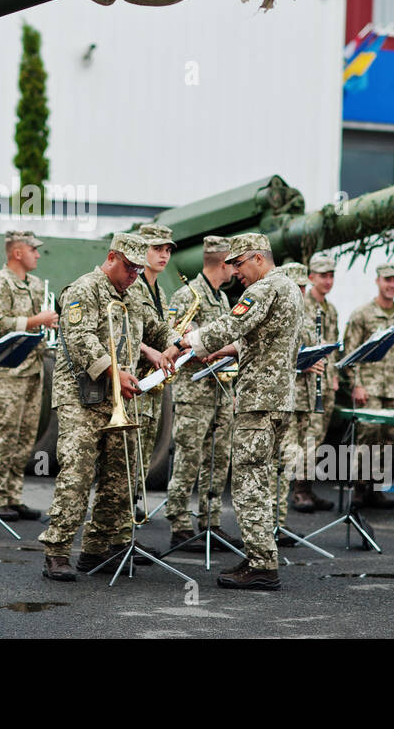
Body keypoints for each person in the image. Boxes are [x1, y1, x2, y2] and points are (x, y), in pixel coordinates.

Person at [38, 233, 180, 582]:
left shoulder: (133, 294)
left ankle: (96, 548)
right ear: (113, 257)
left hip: (118, 399)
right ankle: (56, 552)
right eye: (129, 268)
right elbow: (79, 338)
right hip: (82, 399)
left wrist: (181, 344)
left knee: (119, 476)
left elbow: (154, 330)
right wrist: (114, 372)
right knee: (77, 475)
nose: (134, 275)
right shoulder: (83, 289)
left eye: (137, 269)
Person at [181, 234, 302, 590]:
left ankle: (262, 564)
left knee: (248, 480)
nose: (234, 273)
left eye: (238, 264)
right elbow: (261, 338)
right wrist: (224, 352)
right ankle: (259, 556)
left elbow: (230, 324)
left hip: (258, 402)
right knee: (261, 478)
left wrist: (185, 342)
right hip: (278, 400)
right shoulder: (290, 288)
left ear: (258, 259)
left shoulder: (263, 290)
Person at [164, 235, 241, 550]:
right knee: (189, 455)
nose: (235, 271)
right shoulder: (187, 295)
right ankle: (179, 523)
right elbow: (175, 339)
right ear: (222, 264)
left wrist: (223, 353)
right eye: (232, 265)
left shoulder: (222, 299)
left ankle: (210, 521)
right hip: (194, 389)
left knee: (218, 456)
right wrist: (212, 350)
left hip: (220, 387)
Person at [0, 230, 55, 522]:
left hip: (33, 370)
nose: (38, 254)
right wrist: (38, 321)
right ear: (17, 253)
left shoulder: (35, 284)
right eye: (33, 249)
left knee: (26, 438)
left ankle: (12, 495)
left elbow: (36, 329)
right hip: (8, 373)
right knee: (5, 436)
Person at [341, 262, 394, 509]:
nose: (391, 285)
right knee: (366, 437)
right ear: (377, 281)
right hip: (370, 389)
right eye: (387, 280)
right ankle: (359, 487)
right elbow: (350, 353)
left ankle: (376, 488)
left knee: (388, 441)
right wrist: (356, 385)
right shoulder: (362, 315)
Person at [276, 261, 327, 532]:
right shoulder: (281, 313)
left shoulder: (309, 312)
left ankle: (280, 524)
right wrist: (304, 363)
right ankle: (276, 523)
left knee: (297, 459)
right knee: (284, 461)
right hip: (287, 398)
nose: (301, 292)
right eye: (296, 287)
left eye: (303, 287)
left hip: (305, 397)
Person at [126, 223, 174, 503]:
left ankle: (134, 508)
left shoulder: (159, 291)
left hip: (152, 383)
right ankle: (123, 522)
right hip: (135, 380)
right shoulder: (134, 287)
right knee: (129, 456)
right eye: (157, 249)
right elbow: (126, 331)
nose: (164, 255)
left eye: (167, 249)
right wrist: (148, 351)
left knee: (144, 453)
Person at [299, 251, 339, 511]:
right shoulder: (305, 305)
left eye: (331, 276)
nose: (328, 280)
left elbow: (334, 347)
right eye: (323, 276)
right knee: (308, 438)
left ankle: (310, 488)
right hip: (309, 381)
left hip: (327, 382)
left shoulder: (330, 308)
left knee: (320, 437)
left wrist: (334, 376)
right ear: (311, 277)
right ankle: (300, 491)